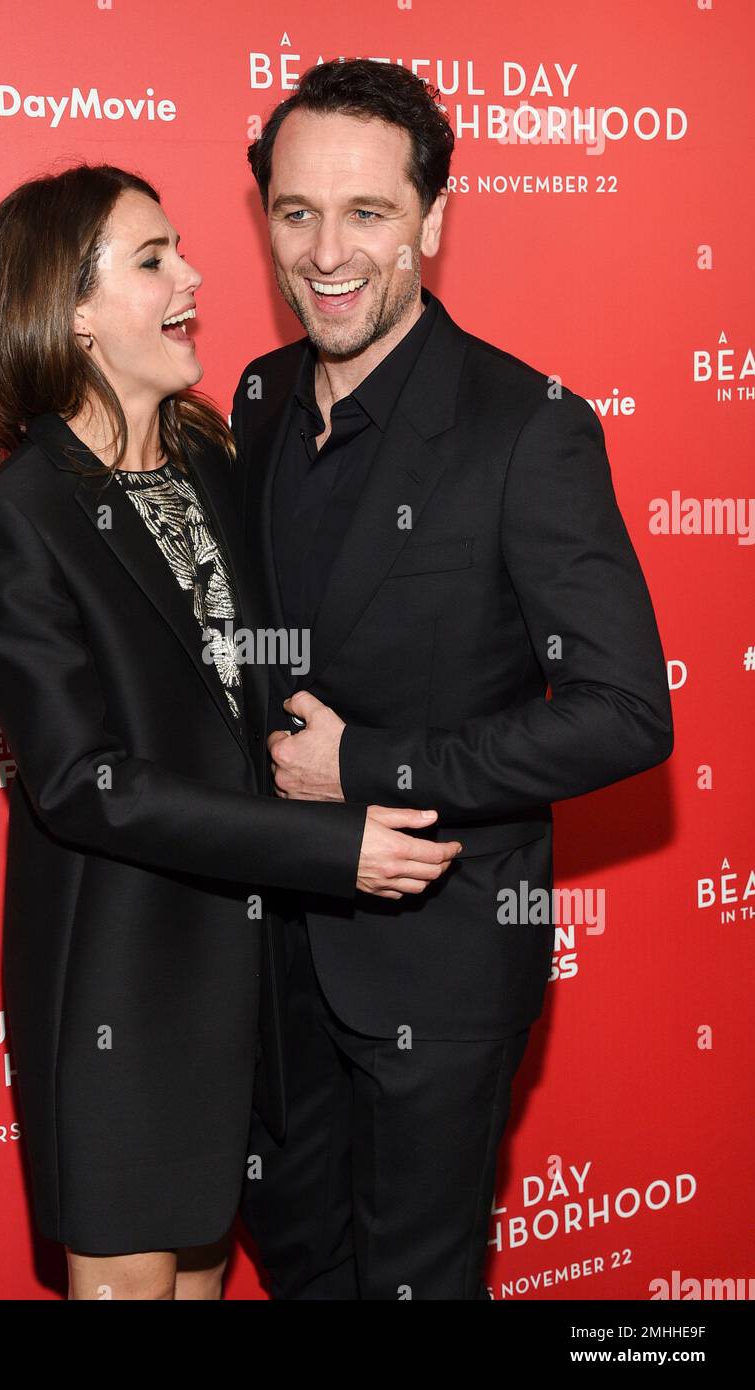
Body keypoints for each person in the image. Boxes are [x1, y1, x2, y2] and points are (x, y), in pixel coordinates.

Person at [0, 161, 459, 1301]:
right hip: (123, 991)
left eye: (181, 248)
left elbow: (259, 686)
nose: (193, 275)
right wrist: (334, 847)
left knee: (206, 1282)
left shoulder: (212, 461)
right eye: (152, 259)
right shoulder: (14, 519)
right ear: (71, 311)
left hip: (248, 980)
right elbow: (85, 783)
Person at [230, 58, 674, 1299]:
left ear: (431, 219)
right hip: (271, 951)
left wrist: (368, 767)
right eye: (295, 212)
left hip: (438, 953)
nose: (327, 252)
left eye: (367, 213)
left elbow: (629, 712)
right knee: (304, 1266)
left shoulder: (526, 427)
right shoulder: (260, 398)